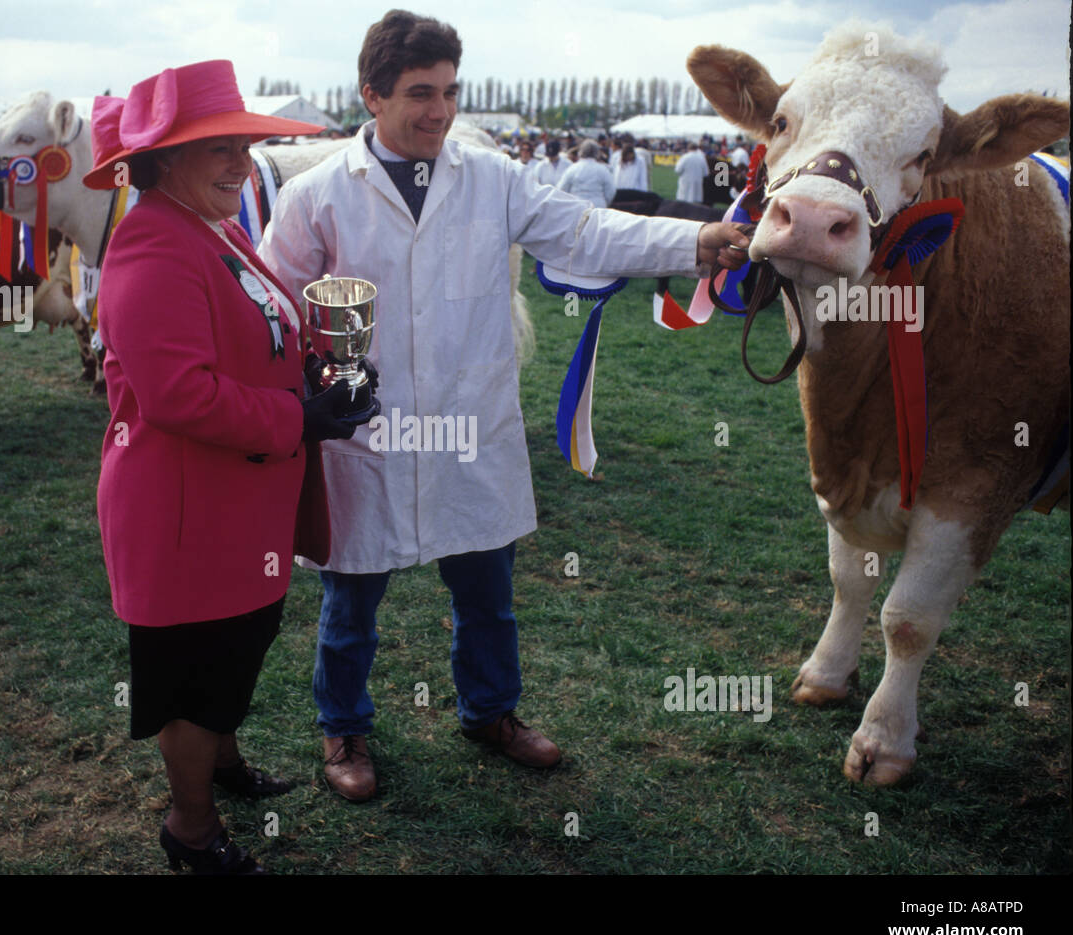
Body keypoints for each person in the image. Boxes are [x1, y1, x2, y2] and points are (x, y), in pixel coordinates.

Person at [259, 9, 747, 803]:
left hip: (469, 426)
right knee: (351, 598)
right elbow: (278, 306)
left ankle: (490, 711)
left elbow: (584, 232)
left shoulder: (492, 178)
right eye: (421, 93)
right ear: (372, 95)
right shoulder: (317, 195)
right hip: (368, 432)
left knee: (488, 593)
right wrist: (310, 385)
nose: (441, 111)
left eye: (450, 91)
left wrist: (689, 243)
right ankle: (343, 725)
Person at [83, 60, 378, 874]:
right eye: (219, 147)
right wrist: (300, 417)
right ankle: (191, 826)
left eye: (244, 146)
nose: (242, 163)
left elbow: (271, 324)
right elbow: (178, 394)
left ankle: (221, 762)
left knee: (234, 652)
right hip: (185, 514)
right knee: (195, 677)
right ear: (162, 158)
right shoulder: (152, 241)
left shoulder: (215, 227)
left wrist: (322, 369)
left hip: (236, 503)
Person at [557, 137, 615, 208]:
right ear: (597, 152)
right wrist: (604, 202)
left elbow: (562, 188)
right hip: (598, 207)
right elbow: (610, 190)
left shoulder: (572, 169)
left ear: (580, 151)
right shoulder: (603, 170)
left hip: (577, 206)